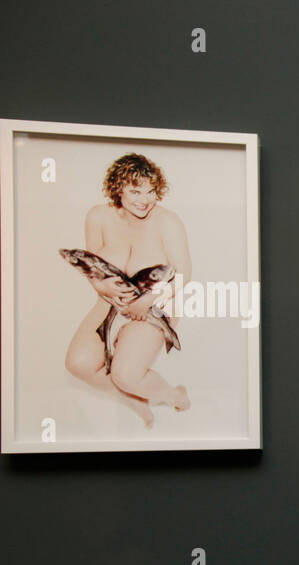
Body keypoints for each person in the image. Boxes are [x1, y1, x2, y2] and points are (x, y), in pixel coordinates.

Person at [63, 153, 191, 427]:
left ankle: (172, 395)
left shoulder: (167, 221)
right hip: (110, 302)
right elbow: (92, 267)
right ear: (117, 188)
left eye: (151, 191)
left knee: (126, 374)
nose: (144, 199)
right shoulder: (98, 216)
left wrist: (146, 302)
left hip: (156, 304)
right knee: (78, 363)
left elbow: (183, 274)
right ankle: (133, 398)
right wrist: (101, 285)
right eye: (135, 191)